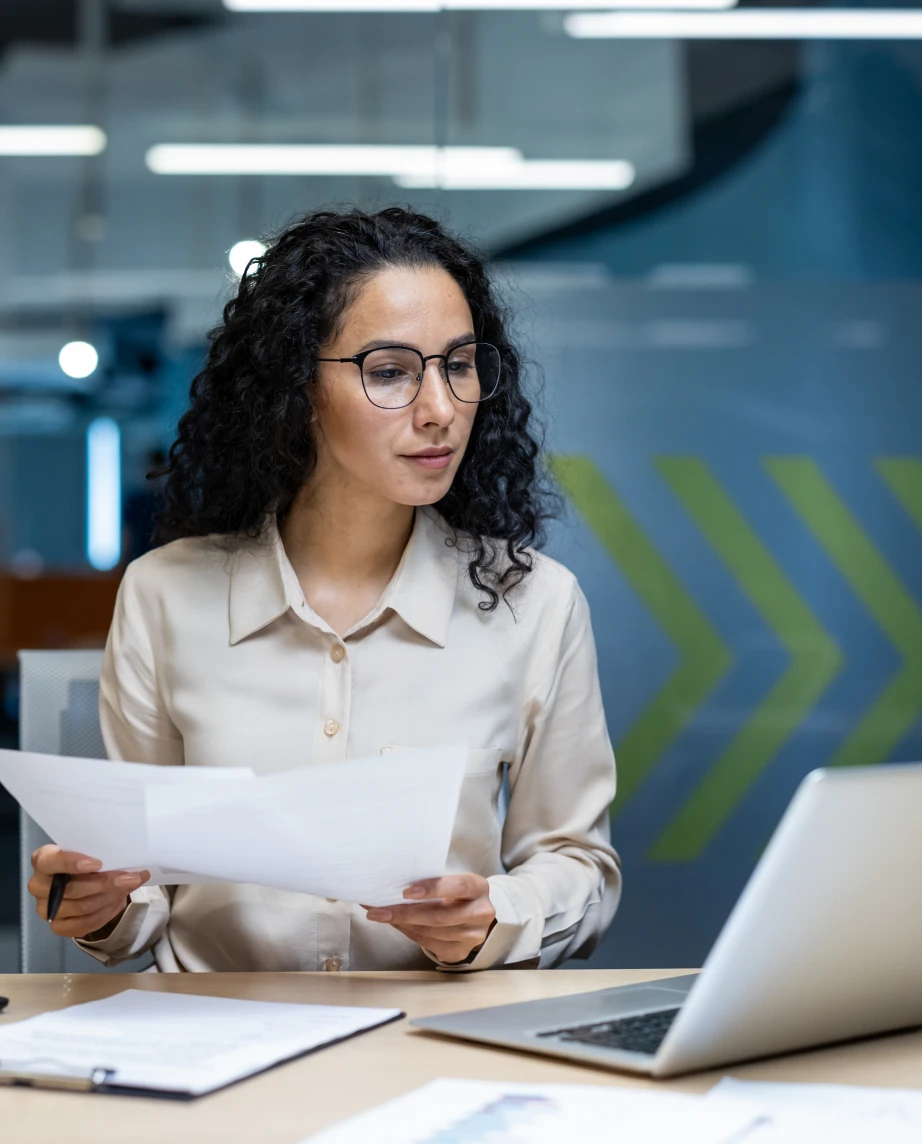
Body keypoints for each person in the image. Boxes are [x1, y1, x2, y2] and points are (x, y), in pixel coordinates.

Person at [28, 207, 621, 972]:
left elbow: (583, 870)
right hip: (214, 1053)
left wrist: (493, 917)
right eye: (390, 371)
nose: (441, 409)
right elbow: (143, 895)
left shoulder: (534, 602)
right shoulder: (164, 595)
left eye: (460, 364)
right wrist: (101, 906)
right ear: (296, 387)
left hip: (428, 1046)